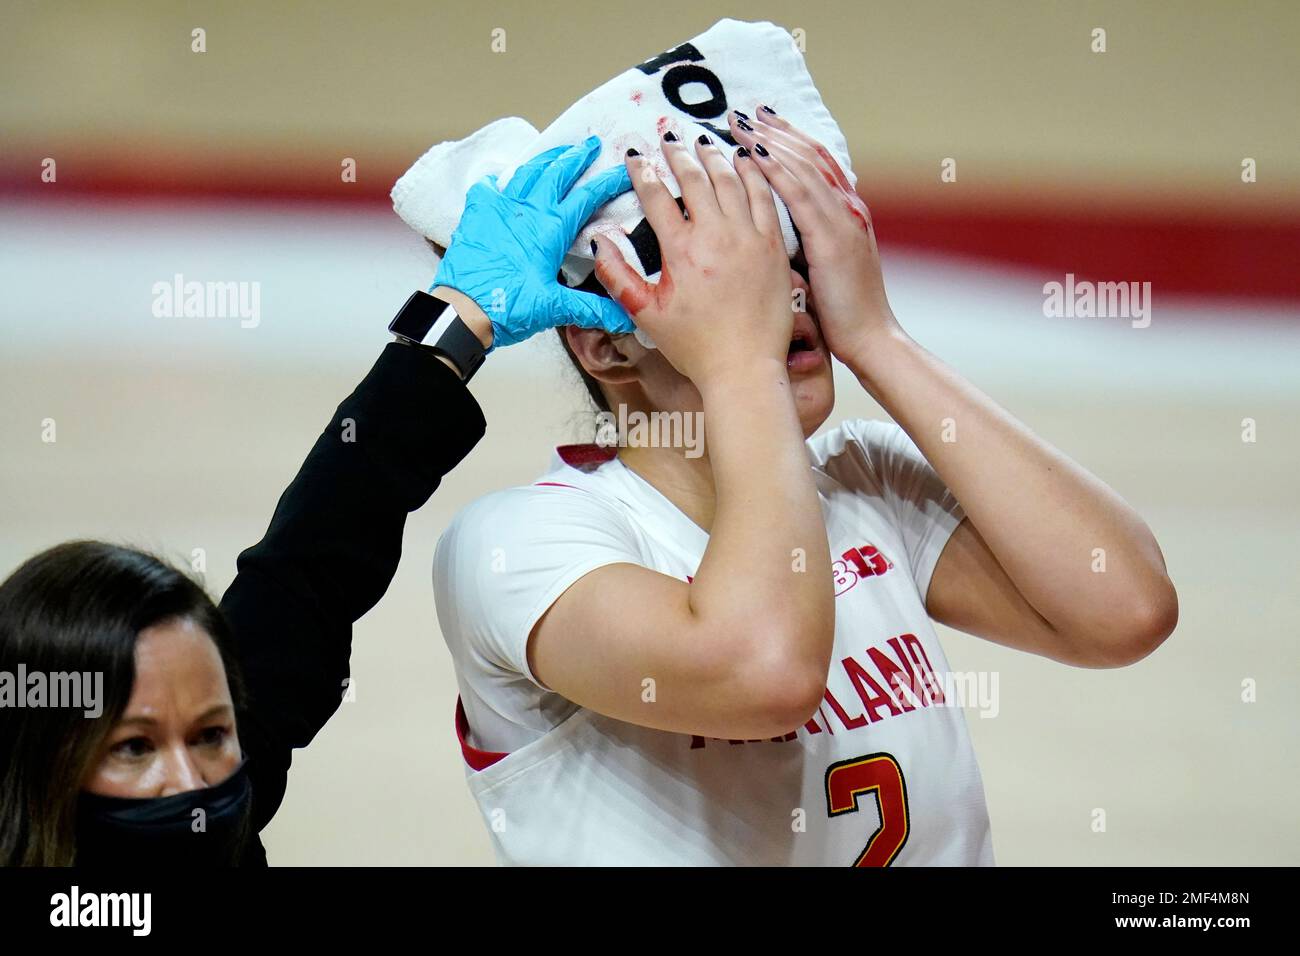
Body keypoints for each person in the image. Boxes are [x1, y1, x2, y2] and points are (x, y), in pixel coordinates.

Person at [433, 109, 1180, 865]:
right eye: (718, 264)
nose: (781, 287)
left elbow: (1125, 609)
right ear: (603, 347)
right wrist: (740, 365)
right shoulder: (513, 542)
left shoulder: (863, 479)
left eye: (785, 248)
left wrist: (877, 338)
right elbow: (766, 673)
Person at [0, 137, 633, 866]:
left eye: (210, 735)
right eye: (134, 747)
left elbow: (312, 564)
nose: (191, 784)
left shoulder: (220, 798)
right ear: (40, 756)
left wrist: (457, 315)